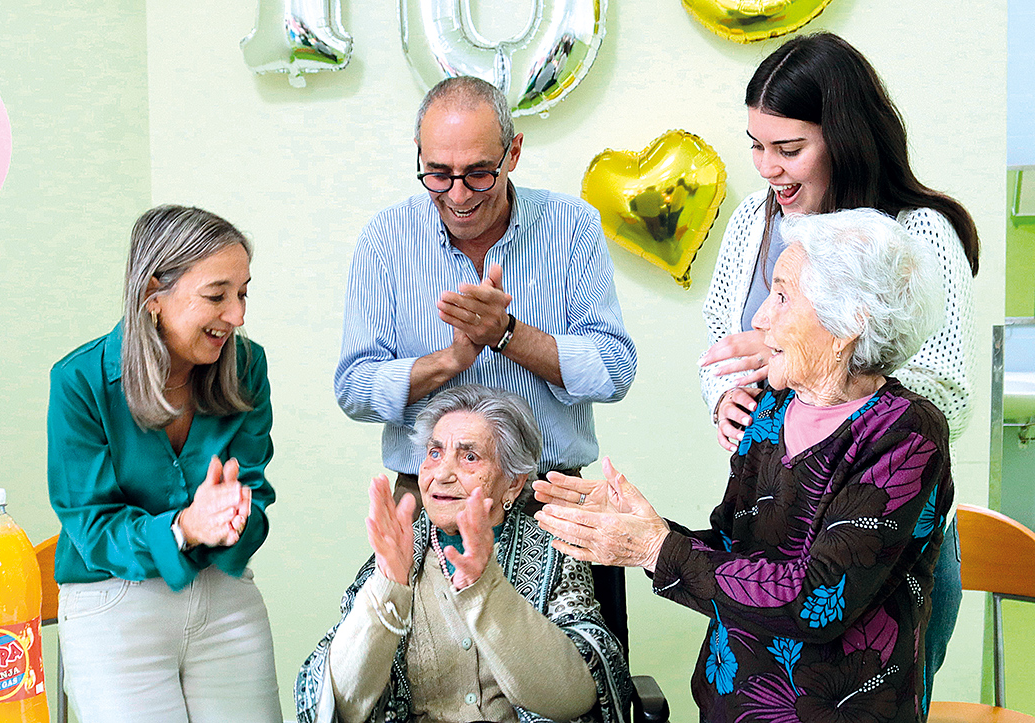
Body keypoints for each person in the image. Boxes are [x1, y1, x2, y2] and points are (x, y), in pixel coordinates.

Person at [537, 209, 952, 723]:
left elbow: (818, 597)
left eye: (781, 296)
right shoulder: (772, 410)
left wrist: (656, 548)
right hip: (730, 701)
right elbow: (738, 556)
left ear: (849, 322)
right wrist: (642, 530)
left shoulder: (906, 433)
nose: (759, 319)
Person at [696, 32, 976, 695]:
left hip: (883, 545)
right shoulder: (751, 223)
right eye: (757, 146)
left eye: (789, 149)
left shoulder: (920, 233)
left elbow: (947, 399)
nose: (768, 167)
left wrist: (804, 360)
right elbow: (719, 339)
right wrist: (722, 393)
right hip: (772, 524)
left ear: (845, 137)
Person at [333, 75, 637, 641]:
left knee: (570, 680)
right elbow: (354, 387)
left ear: (513, 152)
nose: (457, 194)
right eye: (437, 174)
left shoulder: (572, 227)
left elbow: (614, 369)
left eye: (478, 173)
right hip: (427, 505)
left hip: (551, 502)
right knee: (426, 682)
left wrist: (508, 335)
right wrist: (450, 360)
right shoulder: (384, 239)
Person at [47, 205, 282, 723]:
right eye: (217, 295)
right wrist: (183, 529)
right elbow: (91, 524)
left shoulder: (247, 367)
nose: (237, 316)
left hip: (223, 594)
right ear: (154, 293)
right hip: (114, 604)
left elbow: (256, 496)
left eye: (242, 293)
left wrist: (234, 518)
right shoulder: (79, 383)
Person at [296, 384, 631, 723]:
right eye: (435, 453)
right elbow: (340, 704)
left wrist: (486, 588)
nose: (441, 474)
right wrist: (389, 587)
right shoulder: (396, 555)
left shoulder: (555, 553)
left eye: (470, 457)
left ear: (513, 482)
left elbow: (574, 695)